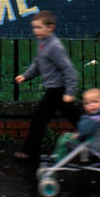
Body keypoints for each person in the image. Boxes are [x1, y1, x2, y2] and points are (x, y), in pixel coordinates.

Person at [14, 11, 81, 160]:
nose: (35, 31)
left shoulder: (54, 47)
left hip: (59, 91)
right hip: (55, 90)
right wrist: (25, 76)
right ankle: (95, 137)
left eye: (39, 27)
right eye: (34, 27)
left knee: (39, 119)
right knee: (76, 117)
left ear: (51, 27)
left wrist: (70, 92)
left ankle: (30, 153)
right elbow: (38, 63)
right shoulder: (43, 43)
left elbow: (69, 71)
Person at [51, 87, 100, 160]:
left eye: (95, 101)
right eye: (87, 103)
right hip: (96, 141)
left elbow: (86, 131)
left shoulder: (94, 119)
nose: (91, 105)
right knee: (67, 136)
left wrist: (78, 136)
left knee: (64, 139)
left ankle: (58, 160)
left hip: (89, 143)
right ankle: (60, 156)